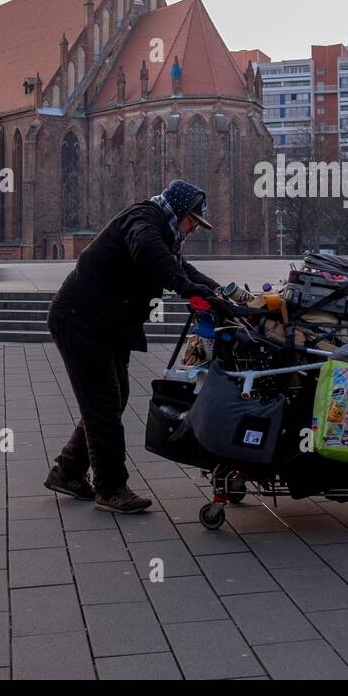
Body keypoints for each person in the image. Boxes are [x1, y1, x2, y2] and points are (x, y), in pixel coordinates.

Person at [44, 180, 224, 512]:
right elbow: (151, 254)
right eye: (193, 222)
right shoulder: (144, 220)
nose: (194, 229)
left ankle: (67, 472)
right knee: (104, 405)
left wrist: (222, 292)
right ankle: (110, 488)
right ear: (180, 211)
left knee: (113, 398)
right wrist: (192, 293)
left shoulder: (165, 232)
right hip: (79, 320)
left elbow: (179, 267)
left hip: (106, 326)